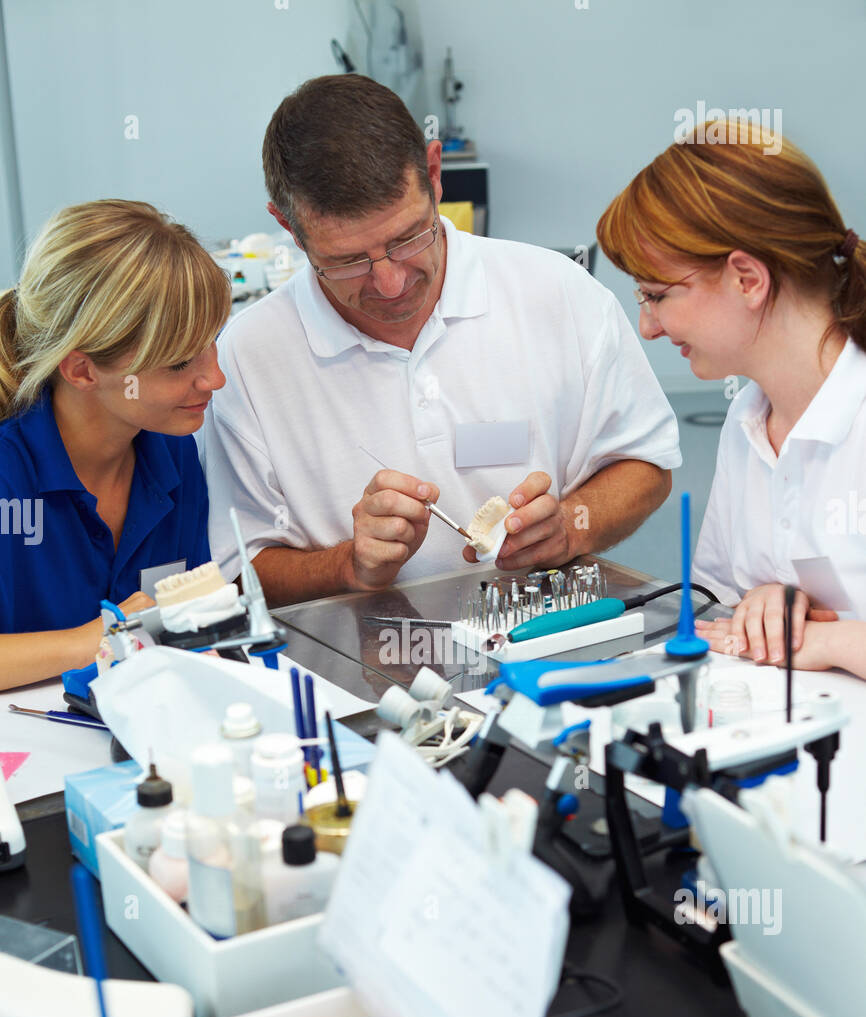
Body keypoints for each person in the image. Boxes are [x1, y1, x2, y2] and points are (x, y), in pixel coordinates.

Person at [202, 75, 681, 604]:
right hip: (345, 664)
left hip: (542, 643)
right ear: (288, 229)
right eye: (347, 262)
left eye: (408, 239)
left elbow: (645, 461)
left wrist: (571, 525)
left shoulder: (556, 293)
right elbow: (238, 570)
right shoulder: (246, 358)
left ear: (434, 174)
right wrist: (349, 565)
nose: (390, 282)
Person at [596, 121, 866, 678]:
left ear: (746, 278)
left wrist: (834, 642)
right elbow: (722, 606)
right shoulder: (748, 420)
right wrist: (768, 605)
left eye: (656, 295)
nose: (647, 327)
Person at [0, 200, 230, 692]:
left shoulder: (172, 450)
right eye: (178, 364)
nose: (216, 377)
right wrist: (104, 635)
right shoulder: (8, 475)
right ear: (82, 370)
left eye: (213, 342)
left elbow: (182, 614)